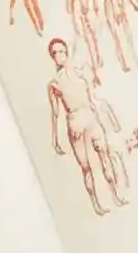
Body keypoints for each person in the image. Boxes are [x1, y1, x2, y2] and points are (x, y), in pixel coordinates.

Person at [46, 38, 128, 216]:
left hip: (89, 116)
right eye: (55, 53)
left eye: (61, 51)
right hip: (74, 120)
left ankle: (116, 195)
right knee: (86, 167)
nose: (59, 56)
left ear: (66, 52)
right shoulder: (53, 83)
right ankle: (96, 204)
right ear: (52, 57)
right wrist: (55, 139)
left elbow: (91, 95)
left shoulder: (79, 71)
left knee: (104, 155)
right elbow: (55, 113)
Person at [65, 0, 103, 85]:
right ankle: (95, 72)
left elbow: (93, 5)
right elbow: (70, 9)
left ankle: (97, 61)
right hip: (82, 22)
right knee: (90, 46)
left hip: (88, 20)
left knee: (94, 43)